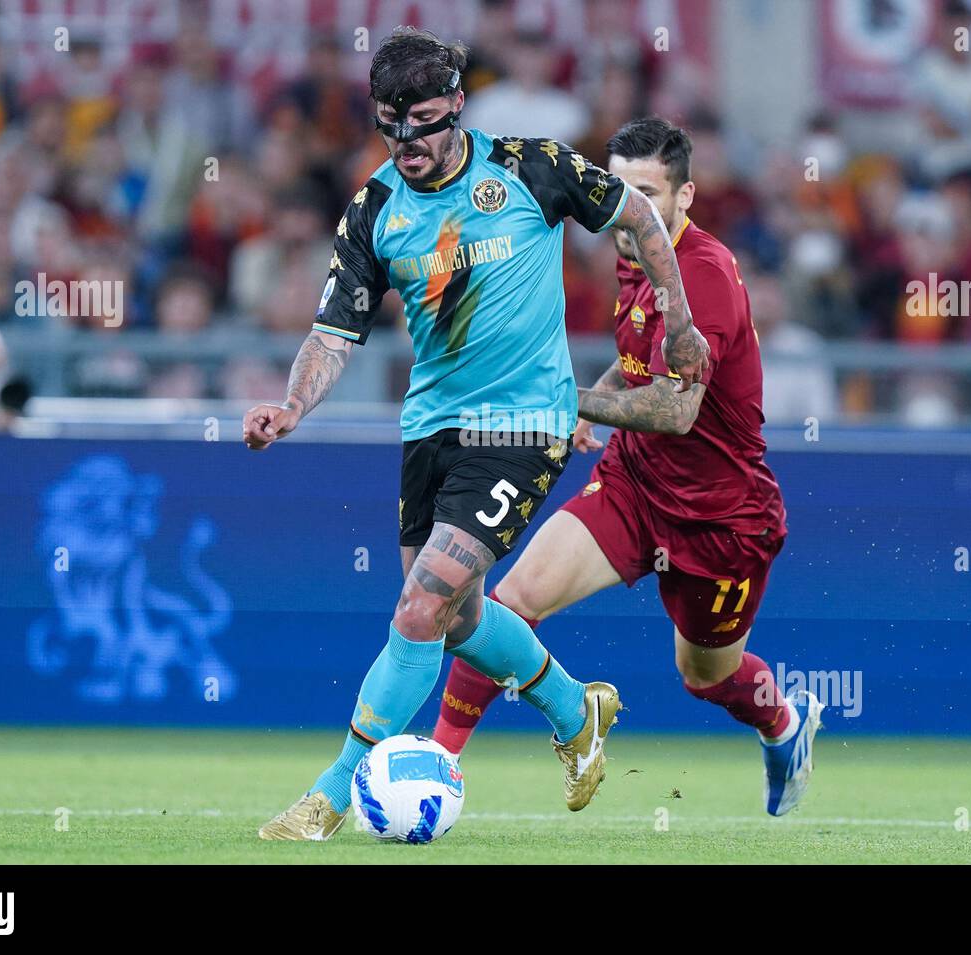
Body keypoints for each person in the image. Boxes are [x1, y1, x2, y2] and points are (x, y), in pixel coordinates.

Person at [242, 30, 709, 841]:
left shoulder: (531, 167)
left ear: (457, 104)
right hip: (432, 428)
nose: (408, 142)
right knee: (455, 618)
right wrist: (292, 406)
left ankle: (331, 794)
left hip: (526, 426)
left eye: (422, 121)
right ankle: (576, 709)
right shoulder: (376, 207)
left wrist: (678, 319)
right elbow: (331, 334)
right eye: (392, 126)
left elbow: (634, 212)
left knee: (421, 605)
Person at [431, 118, 822, 817]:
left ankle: (782, 724)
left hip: (721, 518)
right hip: (634, 484)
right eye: (620, 189)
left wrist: (563, 400)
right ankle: (439, 762)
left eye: (648, 192)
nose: (630, 205)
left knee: (705, 675)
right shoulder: (634, 248)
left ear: (686, 196)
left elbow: (677, 409)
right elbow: (643, 359)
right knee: (510, 601)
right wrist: (601, 400)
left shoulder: (700, 277)